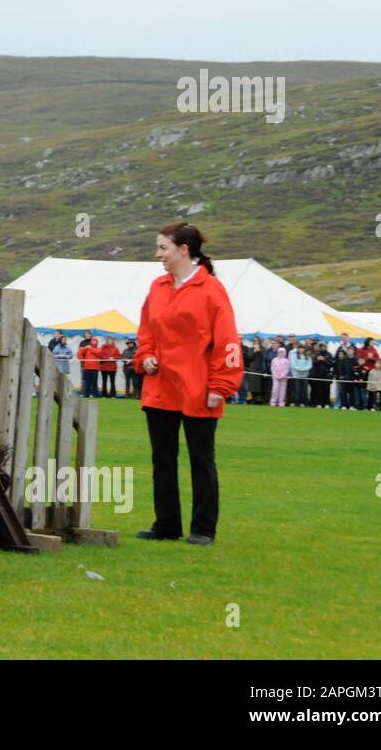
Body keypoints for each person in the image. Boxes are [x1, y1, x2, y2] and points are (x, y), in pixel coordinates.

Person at [133, 222, 241, 546]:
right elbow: (145, 332)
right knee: (162, 459)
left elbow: (227, 341)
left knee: (201, 459)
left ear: (184, 250)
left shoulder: (212, 291)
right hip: (161, 388)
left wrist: (220, 386)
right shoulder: (157, 287)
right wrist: (146, 356)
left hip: (199, 389)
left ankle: (204, 528)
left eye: (163, 248)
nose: (158, 255)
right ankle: (166, 524)